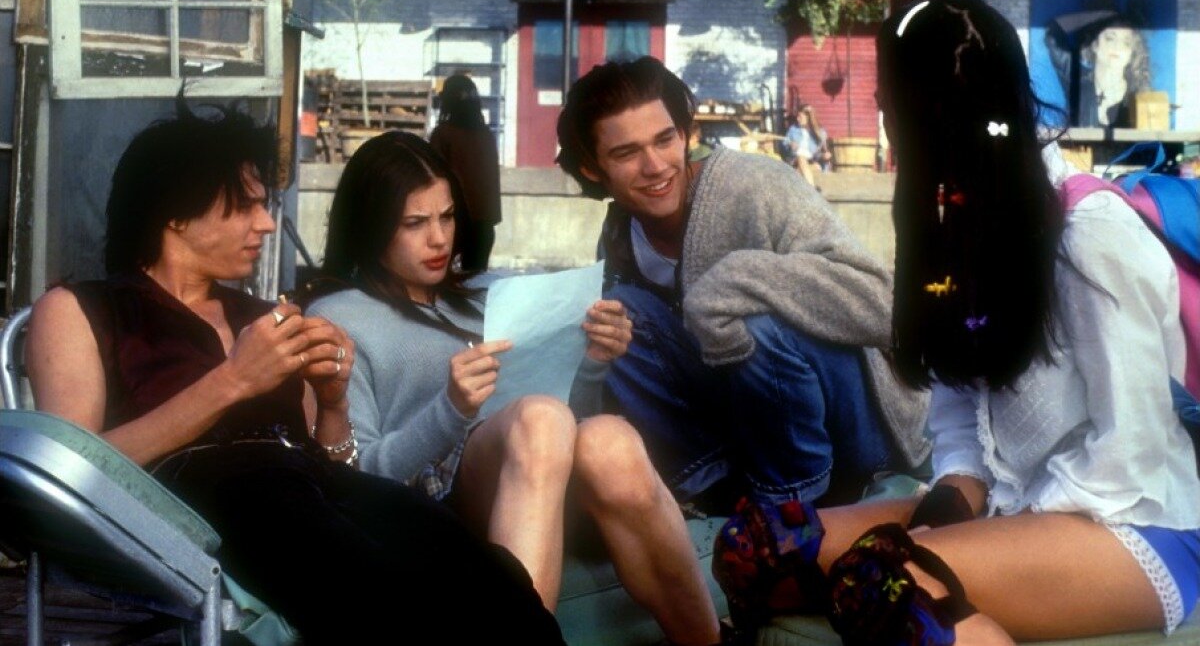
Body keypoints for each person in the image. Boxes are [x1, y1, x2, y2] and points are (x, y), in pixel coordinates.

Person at [716, 0, 1200, 645]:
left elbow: (1130, 456)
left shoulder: (1090, 235)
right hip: (1010, 500)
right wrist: (952, 501)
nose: (895, 121)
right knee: (755, 547)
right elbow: (959, 418)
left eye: (900, 104)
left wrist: (986, 534)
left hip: (1131, 524)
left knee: (882, 586)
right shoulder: (953, 226)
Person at [25, 108, 564, 645]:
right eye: (245, 207)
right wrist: (233, 381)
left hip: (310, 487)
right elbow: (69, 467)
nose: (265, 224)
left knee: (491, 576)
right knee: (380, 591)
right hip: (201, 497)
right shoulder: (83, 308)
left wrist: (332, 401)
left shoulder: (266, 316)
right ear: (177, 215)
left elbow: (329, 463)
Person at [305, 131, 722, 646]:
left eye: (447, 217)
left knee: (608, 438)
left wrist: (593, 361)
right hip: (429, 504)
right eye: (415, 223)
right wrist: (451, 408)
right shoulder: (337, 317)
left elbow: (562, 415)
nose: (439, 239)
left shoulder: (487, 293)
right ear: (371, 226)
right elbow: (352, 478)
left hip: (536, 472)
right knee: (539, 419)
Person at [555, 56, 930, 512]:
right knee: (621, 314)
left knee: (757, 321)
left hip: (858, 439)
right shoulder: (620, 236)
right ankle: (712, 491)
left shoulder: (756, 186)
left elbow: (886, 309)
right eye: (626, 153)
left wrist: (741, 277)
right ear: (593, 168)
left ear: (685, 135)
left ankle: (792, 507)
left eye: (665, 139)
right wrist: (599, 355)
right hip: (751, 443)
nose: (654, 166)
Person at [429, 73, 502, 271]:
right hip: (483, 225)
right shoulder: (486, 135)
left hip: (453, 222)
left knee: (441, 283)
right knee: (475, 281)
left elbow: (431, 178)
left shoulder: (443, 135)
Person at [784, 104, 831, 184]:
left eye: (800, 117)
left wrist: (824, 156)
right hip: (794, 159)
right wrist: (790, 146)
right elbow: (784, 144)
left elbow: (819, 154)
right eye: (797, 116)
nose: (797, 119)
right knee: (801, 158)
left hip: (810, 161)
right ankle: (811, 188)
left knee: (815, 166)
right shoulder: (793, 129)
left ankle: (798, 172)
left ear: (808, 117)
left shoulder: (820, 133)